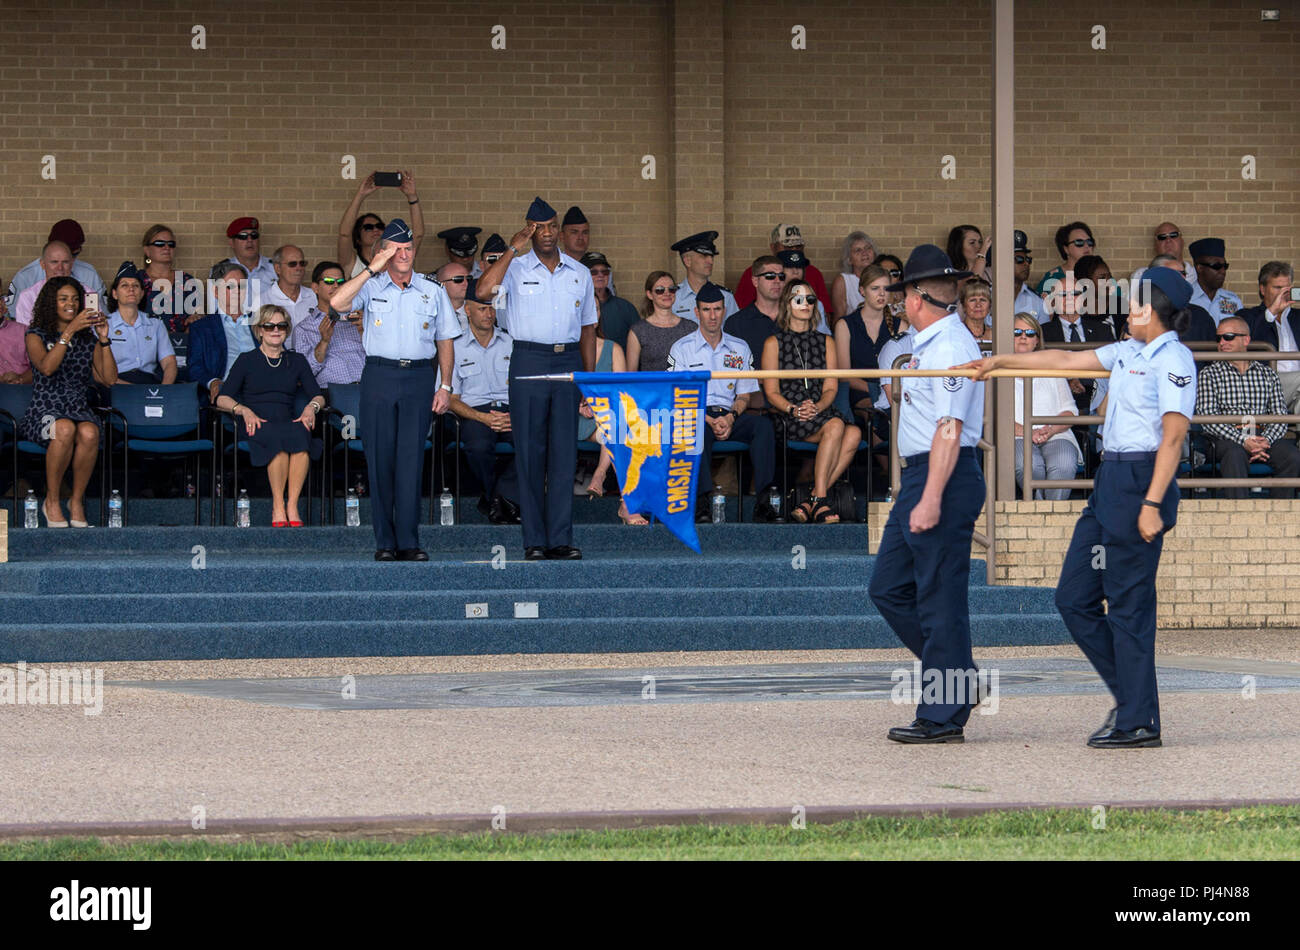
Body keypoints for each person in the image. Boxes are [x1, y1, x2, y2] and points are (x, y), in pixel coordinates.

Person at [966, 266, 1197, 748]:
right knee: (1073, 598)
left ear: (1151, 311)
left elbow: (1174, 436)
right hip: (1111, 477)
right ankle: (1134, 702)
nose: (1124, 310)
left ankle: (1137, 720)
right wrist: (1000, 362)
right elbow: (1062, 360)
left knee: (1130, 606)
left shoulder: (1172, 359)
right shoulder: (1128, 351)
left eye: (1133, 303)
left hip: (1142, 479)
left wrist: (1153, 502)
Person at [867, 245, 983, 744]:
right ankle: (960, 677)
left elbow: (950, 428)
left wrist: (932, 495)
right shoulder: (925, 342)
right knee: (888, 587)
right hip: (919, 476)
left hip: (944, 477)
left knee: (939, 597)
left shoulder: (952, 345)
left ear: (916, 297)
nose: (897, 304)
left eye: (900, 294)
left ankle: (940, 715)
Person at [328, 219, 460, 561]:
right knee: (380, 459)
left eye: (407, 248)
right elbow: (337, 303)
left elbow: (445, 339)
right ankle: (385, 542)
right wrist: (372, 268)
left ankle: (409, 541)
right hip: (379, 377)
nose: (403, 254)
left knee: (411, 461)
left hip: (418, 378)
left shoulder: (433, 290)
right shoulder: (371, 286)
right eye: (394, 248)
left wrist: (444, 385)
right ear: (383, 252)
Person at [474, 197, 597, 561]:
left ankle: (560, 538)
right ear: (529, 229)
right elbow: (481, 291)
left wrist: (586, 383)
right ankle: (534, 540)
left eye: (550, 227)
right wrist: (513, 247)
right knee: (530, 453)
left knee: (563, 453)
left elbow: (589, 329)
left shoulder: (579, 272)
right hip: (527, 358)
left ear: (558, 229)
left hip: (568, 359)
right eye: (537, 227)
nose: (545, 233)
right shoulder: (513, 267)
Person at [670, 282, 779, 524]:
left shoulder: (739, 347)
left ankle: (763, 503)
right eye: (706, 310)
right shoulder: (682, 348)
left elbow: (744, 396)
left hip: (731, 414)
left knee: (763, 427)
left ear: (724, 311)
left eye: (717, 309)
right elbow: (679, 398)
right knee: (694, 429)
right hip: (697, 414)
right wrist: (709, 419)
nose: (712, 315)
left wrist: (730, 417)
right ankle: (701, 504)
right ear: (697, 312)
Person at [214, 305, 325, 527]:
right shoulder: (247, 360)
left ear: (287, 329)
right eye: (270, 325)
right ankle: (277, 505)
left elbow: (318, 395)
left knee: (302, 436)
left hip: (287, 418)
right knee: (278, 440)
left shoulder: (297, 360)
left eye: (281, 326)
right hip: (256, 421)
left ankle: (292, 504)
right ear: (260, 330)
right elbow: (221, 399)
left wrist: (310, 408)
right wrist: (243, 410)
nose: (276, 330)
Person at [761, 280, 861, 524]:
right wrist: (793, 409)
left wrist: (817, 406)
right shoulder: (773, 343)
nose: (805, 304)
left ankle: (813, 500)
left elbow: (831, 387)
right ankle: (821, 501)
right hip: (787, 415)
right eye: (798, 299)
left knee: (855, 433)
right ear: (787, 304)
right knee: (838, 426)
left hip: (821, 410)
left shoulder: (826, 341)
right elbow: (771, 392)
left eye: (810, 299)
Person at [22, 277, 118, 527]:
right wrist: (69, 332)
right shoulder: (35, 334)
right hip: (43, 410)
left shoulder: (87, 339)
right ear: (50, 303)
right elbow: (47, 368)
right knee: (64, 428)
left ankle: (75, 500)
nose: (71, 304)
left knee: (89, 431)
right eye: (63, 299)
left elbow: (108, 379)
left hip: (77, 408)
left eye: (76, 299)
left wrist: (104, 339)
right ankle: (52, 500)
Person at [1195, 316, 1300, 498]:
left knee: (1291, 456)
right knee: (1234, 454)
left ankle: (1279, 516)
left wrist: (1264, 441)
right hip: (1225, 439)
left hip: (1262, 436)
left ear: (1246, 340)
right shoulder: (1209, 374)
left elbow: (1280, 416)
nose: (1222, 343)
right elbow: (1209, 419)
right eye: (1218, 338)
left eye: (1228, 336)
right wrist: (1243, 440)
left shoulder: (1267, 374)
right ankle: (1238, 516)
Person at [447, 290, 521, 526]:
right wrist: (483, 418)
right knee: (478, 448)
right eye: (482, 308)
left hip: (513, 410)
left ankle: (499, 496)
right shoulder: (455, 346)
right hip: (474, 413)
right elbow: (450, 398)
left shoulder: (512, 343)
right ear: (467, 311)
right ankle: (497, 500)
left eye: (491, 308)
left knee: (536, 443)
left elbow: (525, 388)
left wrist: (514, 414)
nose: (489, 314)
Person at [576, 318, 647, 526]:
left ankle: (600, 474)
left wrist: (599, 408)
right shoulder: (568, 350)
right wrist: (578, 405)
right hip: (574, 418)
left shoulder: (612, 349)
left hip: (607, 417)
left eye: (596, 310)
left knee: (617, 428)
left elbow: (622, 394)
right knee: (618, 431)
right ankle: (627, 505)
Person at [1011, 313, 1081, 500]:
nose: (1023, 337)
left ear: (1037, 340)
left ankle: (1051, 512)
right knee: (1031, 466)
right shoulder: (998, 371)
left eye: (1030, 333)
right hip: (1016, 436)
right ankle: (1037, 511)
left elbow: (1070, 410)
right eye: (1017, 332)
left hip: (1056, 433)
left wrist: (1049, 429)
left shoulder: (1051, 368)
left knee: (1064, 464)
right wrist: (1027, 432)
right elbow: (996, 416)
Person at [834, 264, 896, 423]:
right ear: (862, 291)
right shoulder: (845, 325)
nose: (882, 293)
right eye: (875, 288)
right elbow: (844, 375)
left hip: (893, 392)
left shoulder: (900, 325)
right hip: (859, 392)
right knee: (878, 412)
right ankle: (879, 448)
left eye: (886, 288)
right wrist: (874, 390)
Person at [187, 260, 256, 402]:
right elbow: (195, 367)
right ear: (217, 292)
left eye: (241, 286)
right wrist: (213, 381)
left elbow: (280, 354)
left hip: (265, 387)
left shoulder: (260, 322)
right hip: (229, 389)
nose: (237, 291)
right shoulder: (202, 328)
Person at [289, 262, 366, 389]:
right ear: (315, 288)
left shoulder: (359, 320)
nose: (336, 286)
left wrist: (365, 332)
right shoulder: (303, 329)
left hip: (368, 389)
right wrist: (324, 342)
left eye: (340, 282)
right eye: (329, 281)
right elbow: (304, 374)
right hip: (331, 394)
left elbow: (380, 359)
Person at [336, 170, 424, 278]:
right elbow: (345, 234)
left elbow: (418, 235)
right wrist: (360, 194)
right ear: (357, 238)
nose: (375, 230)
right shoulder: (352, 262)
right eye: (368, 228)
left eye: (380, 226)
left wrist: (412, 196)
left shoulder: (400, 259)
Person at [105, 262, 177, 384]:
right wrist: (133, 389)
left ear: (142, 293)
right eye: (124, 285)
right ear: (115, 294)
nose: (131, 289)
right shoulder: (104, 325)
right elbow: (98, 371)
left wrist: (164, 390)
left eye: (136, 286)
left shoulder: (155, 324)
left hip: (148, 383)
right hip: (117, 384)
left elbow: (169, 363)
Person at [734, 222, 831, 311]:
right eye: (787, 246)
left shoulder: (813, 273)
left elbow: (825, 314)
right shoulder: (756, 272)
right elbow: (740, 310)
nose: (793, 250)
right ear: (773, 247)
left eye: (798, 246)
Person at [1241, 261, 1299, 407]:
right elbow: (1249, 339)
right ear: (1263, 289)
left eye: (1287, 288)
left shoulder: (1298, 317)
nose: (1283, 293)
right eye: (1277, 288)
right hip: (1263, 385)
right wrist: (1272, 311)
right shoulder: (1248, 316)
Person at [6, 219, 104, 305]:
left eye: (73, 256)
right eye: (54, 261)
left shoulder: (89, 274)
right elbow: (14, 318)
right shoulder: (25, 277)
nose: (60, 268)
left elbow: (101, 315)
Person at [625, 271, 694, 373]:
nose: (667, 293)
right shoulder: (638, 331)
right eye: (660, 290)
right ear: (649, 294)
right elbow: (631, 375)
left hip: (684, 388)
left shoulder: (690, 328)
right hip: (651, 388)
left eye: (672, 289)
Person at [139, 224, 202, 331]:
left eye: (171, 244)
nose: (166, 247)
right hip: (144, 342)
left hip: (181, 343)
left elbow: (198, 313)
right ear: (147, 250)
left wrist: (196, 318)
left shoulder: (186, 280)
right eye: (160, 244)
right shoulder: (137, 279)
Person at [669, 231, 738, 323]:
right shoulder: (672, 298)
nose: (710, 261)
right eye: (704, 256)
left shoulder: (726, 297)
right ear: (687, 261)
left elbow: (734, 332)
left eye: (711, 256)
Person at [1152, 254, 1216, 343]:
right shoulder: (1141, 314)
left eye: (1183, 273)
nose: (1181, 278)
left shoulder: (1200, 316)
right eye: (1173, 273)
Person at [581, 251, 638, 350]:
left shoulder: (626, 307)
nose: (600, 275)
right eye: (593, 272)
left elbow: (638, 343)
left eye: (605, 272)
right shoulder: (574, 307)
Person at [14, 241, 75, 326]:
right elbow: (25, 334)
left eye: (65, 262)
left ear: (72, 264)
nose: (60, 268)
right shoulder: (28, 297)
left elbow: (95, 332)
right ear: (42, 264)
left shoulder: (87, 292)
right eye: (54, 262)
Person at [1188, 238, 1242, 325]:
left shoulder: (1233, 300)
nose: (1223, 271)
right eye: (1216, 266)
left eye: (1225, 266)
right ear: (1199, 268)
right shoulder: (1187, 299)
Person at [265, 245, 318, 335]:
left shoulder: (315, 297)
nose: (298, 268)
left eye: (302, 264)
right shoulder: (263, 300)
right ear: (278, 268)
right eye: (292, 264)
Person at [1035, 221, 1095, 295]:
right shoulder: (1053, 279)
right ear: (1066, 249)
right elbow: (1038, 304)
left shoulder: (1101, 275)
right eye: (1079, 242)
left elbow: (1112, 303)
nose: (1086, 246)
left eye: (1089, 242)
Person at [829, 231, 877, 319]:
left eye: (868, 248)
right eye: (858, 250)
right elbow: (838, 319)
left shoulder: (882, 277)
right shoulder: (843, 281)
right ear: (849, 259)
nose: (864, 253)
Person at [1131, 221, 1195, 286]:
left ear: (1182, 241)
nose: (1168, 240)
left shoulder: (1197, 276)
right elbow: (1144, 296)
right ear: (1155, 245)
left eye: (1173, 235)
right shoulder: (1142, 275)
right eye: (1162, 237)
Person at [225, 217, 277, 295]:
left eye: (254, 235)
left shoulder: (276, 268)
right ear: (232, 243)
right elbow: (214, 305)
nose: (249, 240)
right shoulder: (221, 271)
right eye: (243, 236)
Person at [1011, 230, 1048, 323]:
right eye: (1020, 260)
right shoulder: (987, 295)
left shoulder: (1037, 300)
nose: (1026, 264)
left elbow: (1043, 335)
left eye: (1028, 259)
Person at [0, 293, 32, 384]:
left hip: (23, 390)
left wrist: (20, 379)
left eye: (0, 298)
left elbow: (40, 368)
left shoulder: (23, 331)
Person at [434, 262, 472, 334]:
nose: (466, 283)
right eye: (458, 279)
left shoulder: (478, 311)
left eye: (469, 279)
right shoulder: (431, 314)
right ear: (442, 284)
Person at [959, 279, 993, 353]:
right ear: (963, 306)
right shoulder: (957, 333)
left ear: (989, 306)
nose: (978, 305)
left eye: (983, 300)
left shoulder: (995, 335)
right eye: (973, 300)